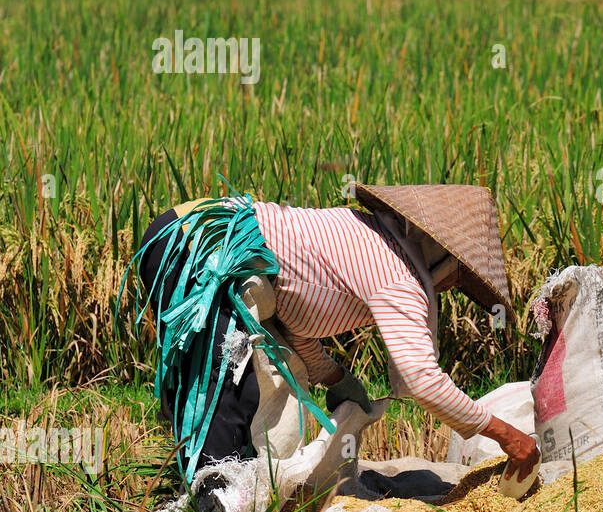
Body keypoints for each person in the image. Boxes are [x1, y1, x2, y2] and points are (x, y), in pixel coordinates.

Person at [128, 182, 539, 490]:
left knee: (232, 396)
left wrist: (336, 378)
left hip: (178, 234)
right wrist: (508, 435)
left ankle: (213, 504)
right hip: (196, 248)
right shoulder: (399, 275)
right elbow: (423, 380)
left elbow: (293, 324)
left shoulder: (369, 235)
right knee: (234, 396)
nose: (451, 288)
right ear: (444, 256)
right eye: (459, 278)